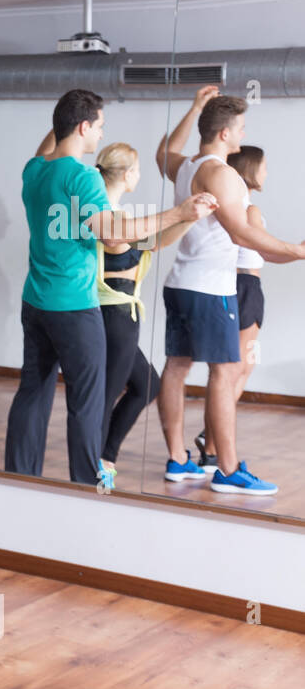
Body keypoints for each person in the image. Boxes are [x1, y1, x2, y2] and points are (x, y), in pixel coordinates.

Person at [4, 89, 214, 485]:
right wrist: (180, 212)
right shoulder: (82, 176)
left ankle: (19, 479)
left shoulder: (34, 171)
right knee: (87, 400)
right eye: (98, 126)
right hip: (73, 306)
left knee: (33, 390)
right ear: (83, 126)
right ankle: (85, 484)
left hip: (35, 301)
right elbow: (114, 234)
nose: (100, 135)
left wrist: (62, 116)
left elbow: (47, 145)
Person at [155, 87, 305, 494]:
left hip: (181, 283)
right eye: (240, 127)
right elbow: (242, 233)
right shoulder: (222, 174)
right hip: (210, 289)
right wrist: (296, 250)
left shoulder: (186, 166)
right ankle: (227, 469)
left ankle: (178, 459)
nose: (242, 133)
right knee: (224, 374)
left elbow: (163, 150)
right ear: (224, 134)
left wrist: (195, 108)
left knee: (176, 368)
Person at [93, 143, 200, 487]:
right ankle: (96, 464)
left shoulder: (119, 217)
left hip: (122, 313)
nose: (140, 176)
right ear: (127, 175)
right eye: (138, 170)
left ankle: (105, 454)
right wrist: (178, 214)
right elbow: (127, 242)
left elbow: (154, 242)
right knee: (106, 393)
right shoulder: (107, 217)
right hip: (114, 314)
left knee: (147, 384)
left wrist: (190, 217)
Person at [193, 145, 268, 472]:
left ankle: (210, 442)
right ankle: (211, 445)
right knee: (234, 372)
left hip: (240, 287)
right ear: (251, 170)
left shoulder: (238, 207)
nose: (267, 172)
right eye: (264, 167)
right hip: (245, 287)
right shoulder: (248, 210)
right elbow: (259, 244)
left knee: (232, 371)